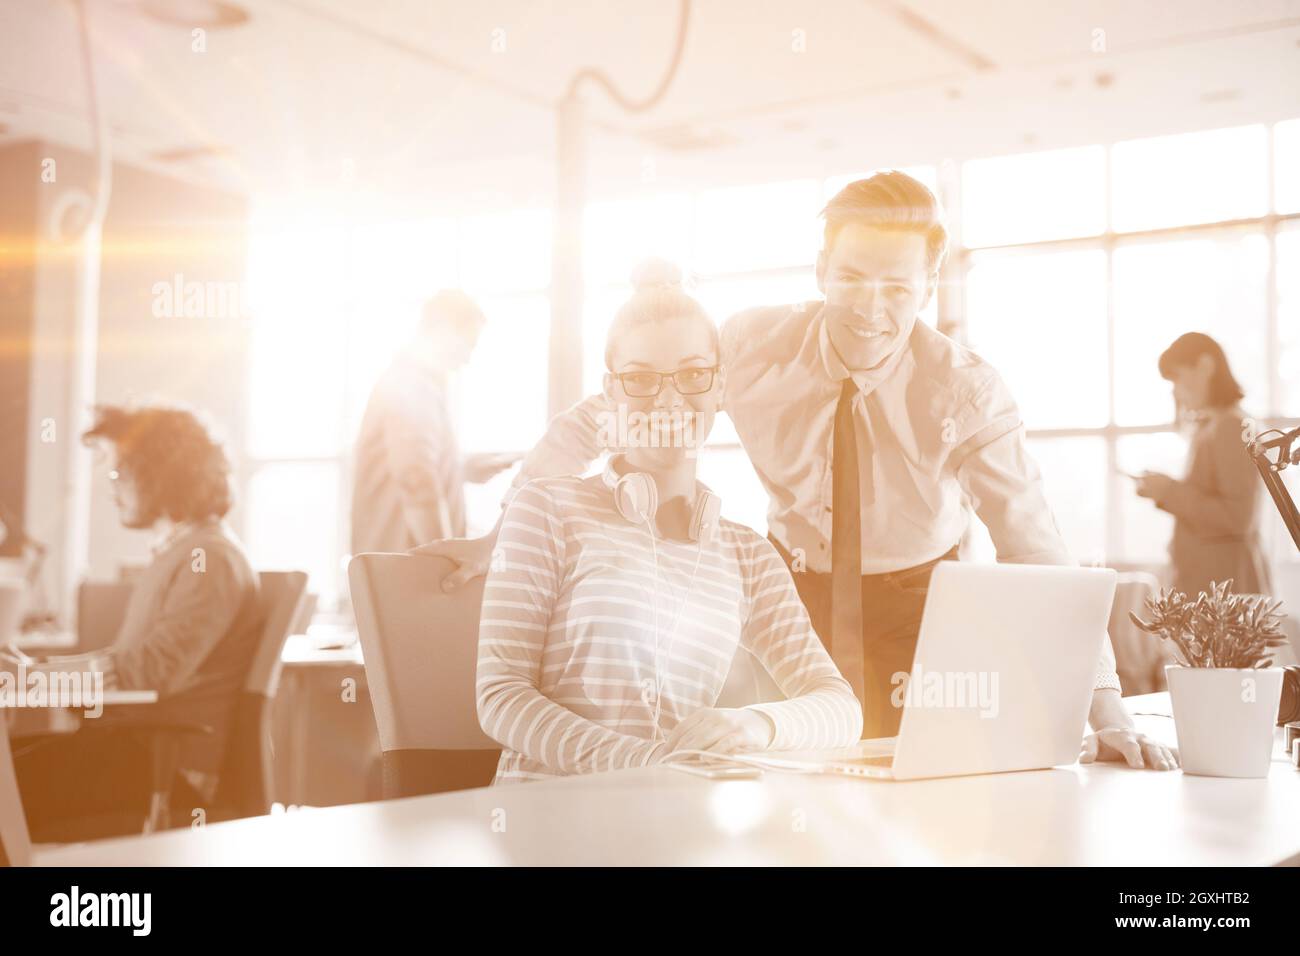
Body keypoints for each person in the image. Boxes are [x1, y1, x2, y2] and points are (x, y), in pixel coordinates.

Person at [425, 171, 1178, 772]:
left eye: (896, 287)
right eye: (851, 279)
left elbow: (1037, 552)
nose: (871, 310)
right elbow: (610, 412)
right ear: (821, 268)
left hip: (919, 610)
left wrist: (1107, 711)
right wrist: (500, 537)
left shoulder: (965, 391)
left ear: (931, 279)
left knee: (923, 797)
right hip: (791, 591)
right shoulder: (751, 348)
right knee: (790, 791)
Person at [475, 263, 863, 783]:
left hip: (669, 820)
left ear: (719, 387)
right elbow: (500, 696)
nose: (668, 398)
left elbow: (841, 709)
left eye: (692, 374)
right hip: (546, 821)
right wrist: (645, 762)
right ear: (611, 393)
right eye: (639, 379)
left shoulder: (744, 554)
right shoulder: (546, 511)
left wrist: (755, 725)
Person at [1, 403, 261, 838]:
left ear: (161, 474)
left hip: (166, 768)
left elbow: (147, 673)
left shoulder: (209, 559)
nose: (112, 488)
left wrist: (33, 678)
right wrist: (33, 675)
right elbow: (132, 666)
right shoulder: (184, 554)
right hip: (138, 752)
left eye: (121, 473)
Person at [350, 290, 519, 554]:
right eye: (467, 344)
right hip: (404, 570)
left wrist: (459, 469)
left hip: (400, 566)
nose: (467, 359)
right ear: (441, 328)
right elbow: (416, 480)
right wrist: (447, 558)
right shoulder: (411, 385)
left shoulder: (412, 384)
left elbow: (410, 467)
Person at [1134, 332, 1272, 598]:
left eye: (1177, 376)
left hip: (1226, 591)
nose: (1174, 390)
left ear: (1206, 367)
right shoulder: (1214, 426)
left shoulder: (1232, 426)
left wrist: (1169, 491)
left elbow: (1238, 517)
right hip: (1213, 587)